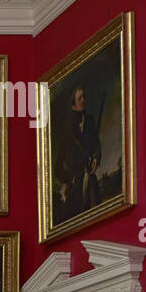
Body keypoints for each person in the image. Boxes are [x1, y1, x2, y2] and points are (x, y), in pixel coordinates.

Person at [53, 84, 102, 222]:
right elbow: (57, 167)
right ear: (73, 104)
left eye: (84, 97)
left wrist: (96, 158)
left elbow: (96, 144)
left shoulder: (90, 122)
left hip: (90, 180)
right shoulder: (67, 132)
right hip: (75, 187)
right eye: (80, 98)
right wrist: (71, 179)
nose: (83, 100)